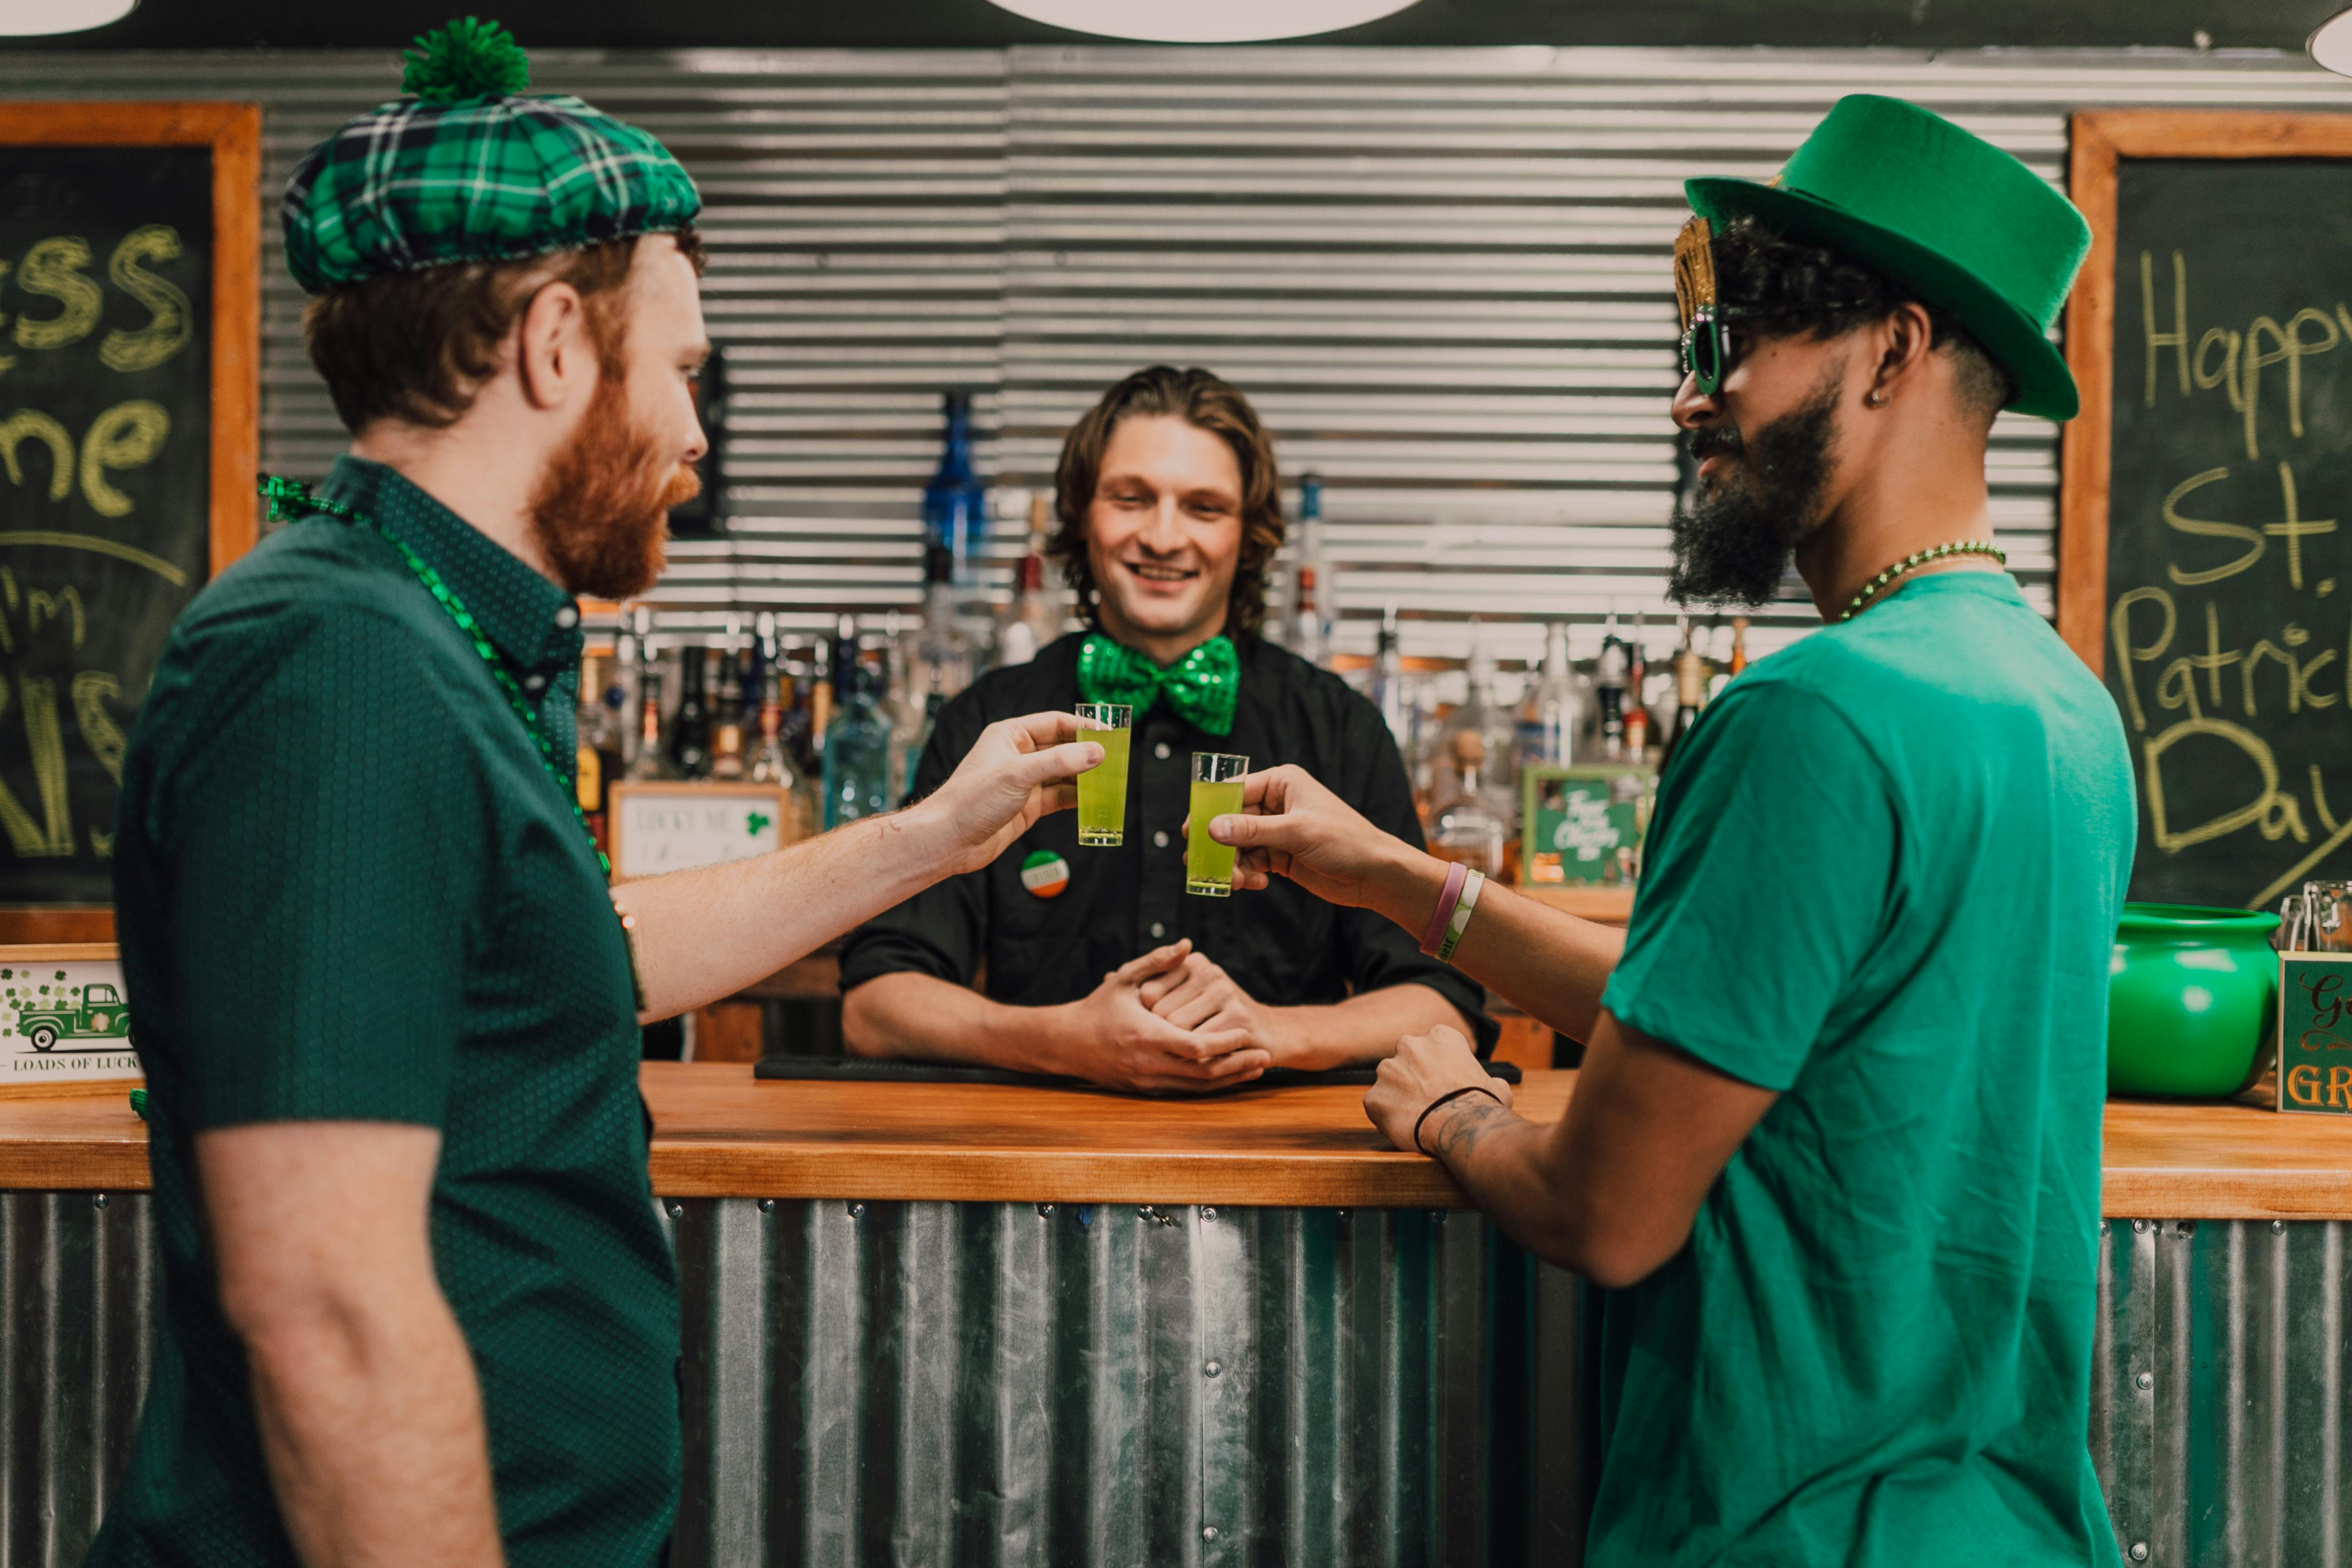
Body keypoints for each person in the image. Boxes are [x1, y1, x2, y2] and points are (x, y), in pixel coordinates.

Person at [89, 23, 1099, 1568]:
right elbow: (329, 1314)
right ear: (557, 343)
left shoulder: (435, 633)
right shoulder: (333, 666)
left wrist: (927, 840)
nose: (697, 435)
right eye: (685, 371)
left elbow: (565, 959)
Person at [1205, 96, 2133, 1566]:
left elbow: (1609, 1212)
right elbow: (1746, 1014)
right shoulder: (2061, 709)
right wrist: (1400, 882)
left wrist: (1451, 1105)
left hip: (1788, 1527)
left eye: (1733, 348)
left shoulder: (1811, 717)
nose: (1688, 401)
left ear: (1890, 349)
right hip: (2004, 1526)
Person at [839, 366, 1491, 1093]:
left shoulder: (1338, 728)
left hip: (1276, 1166)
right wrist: (1055, 1040)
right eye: (1131, 498)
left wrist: (1277, 1031)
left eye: (1204, 507)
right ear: (1082, 513)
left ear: (1249, 535)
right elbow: (876, 1004)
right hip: (1037, 1164)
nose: (1162, 536)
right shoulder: (990, 722)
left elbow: (1442, 1008)